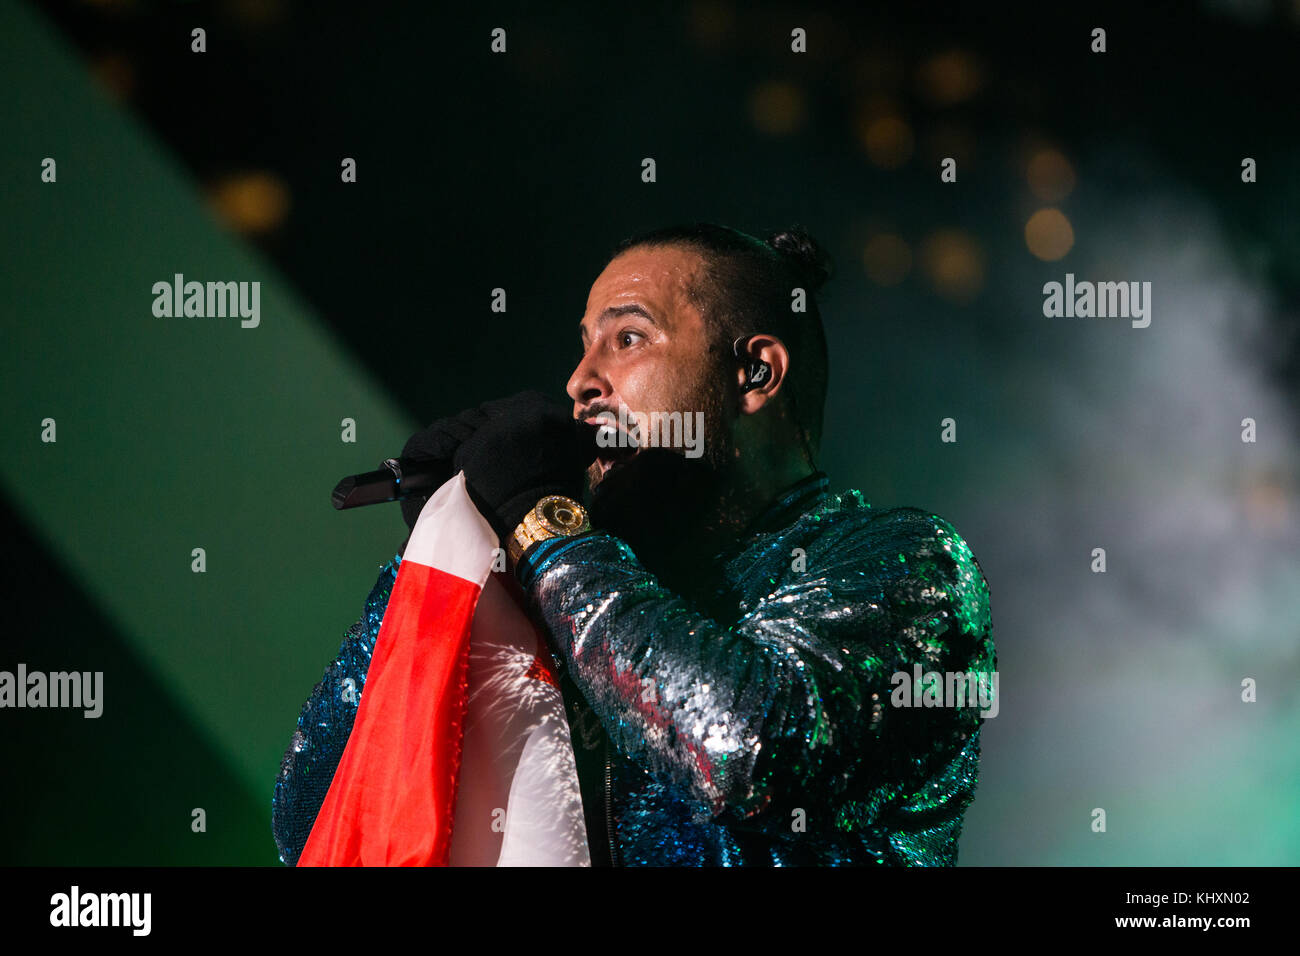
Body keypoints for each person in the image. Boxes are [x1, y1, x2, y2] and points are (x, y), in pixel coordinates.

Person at [272, 222, 997, 866]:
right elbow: (312, 822)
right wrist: (437, 572)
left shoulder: (906, 564)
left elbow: (747, 754)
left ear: (755, 373)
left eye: (628, 338)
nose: (581, 382)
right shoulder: (558, 583)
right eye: (584, 346)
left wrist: (541, 523)